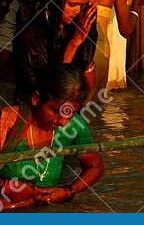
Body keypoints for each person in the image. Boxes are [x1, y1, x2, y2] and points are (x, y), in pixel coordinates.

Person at [0, 65, 105, 211]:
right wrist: (6, 187)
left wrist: (68, 191)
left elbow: (95, 166)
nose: (63, 121)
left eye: (70, 112)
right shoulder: (7, 122)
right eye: (55, 111)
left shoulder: (73, 126)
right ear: (36, 98)